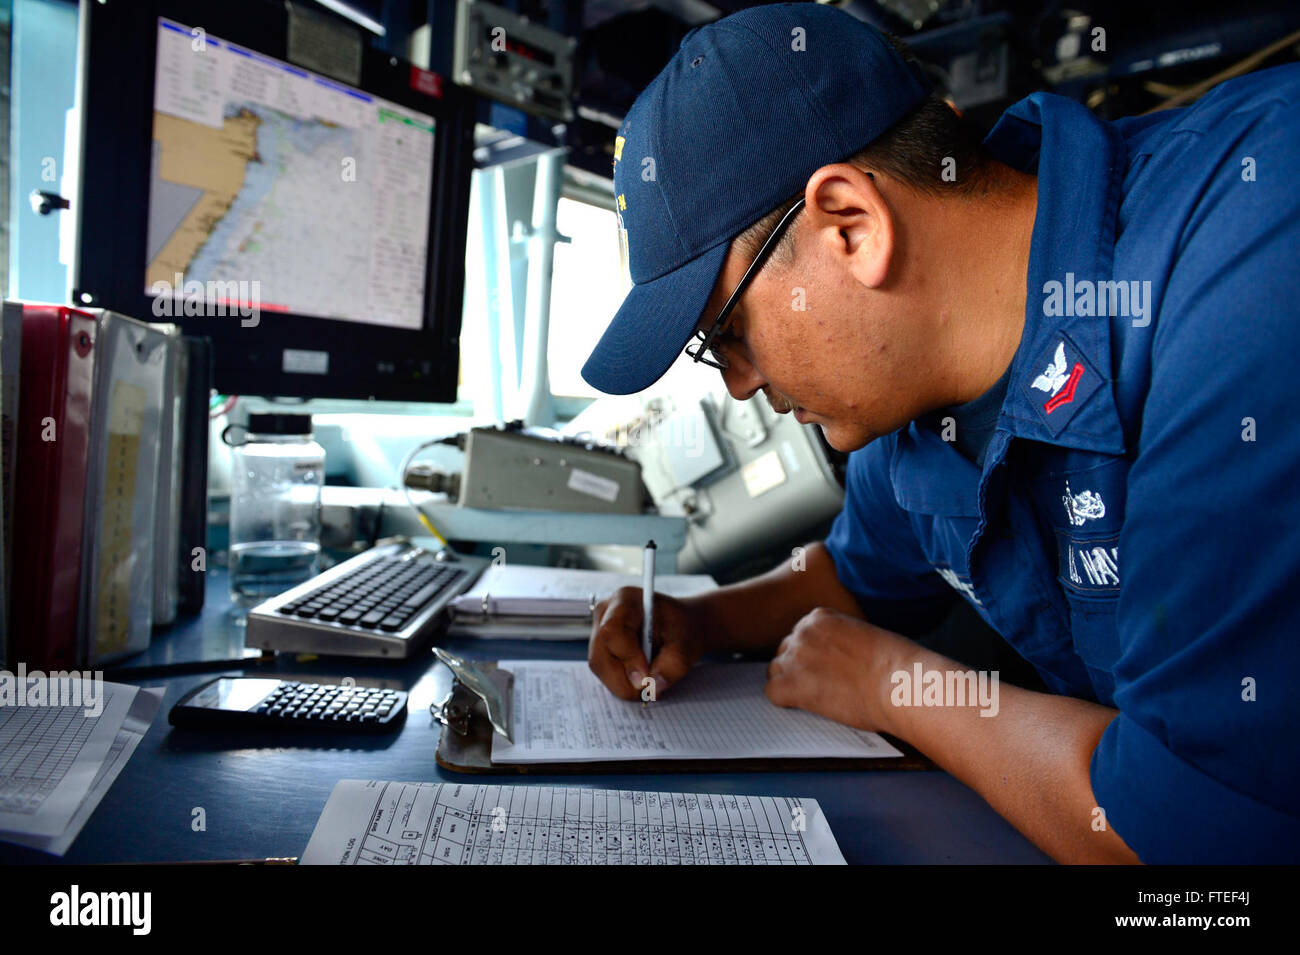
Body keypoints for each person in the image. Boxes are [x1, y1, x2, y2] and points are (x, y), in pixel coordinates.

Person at [580, 2, 1300, 863]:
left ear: (851, 224)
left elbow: (1189, 856)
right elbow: (857, 578)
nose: (739, 384)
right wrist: (702, 618)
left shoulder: (1245, 267)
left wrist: (895, 686)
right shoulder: (910, 402)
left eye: (726, 333)